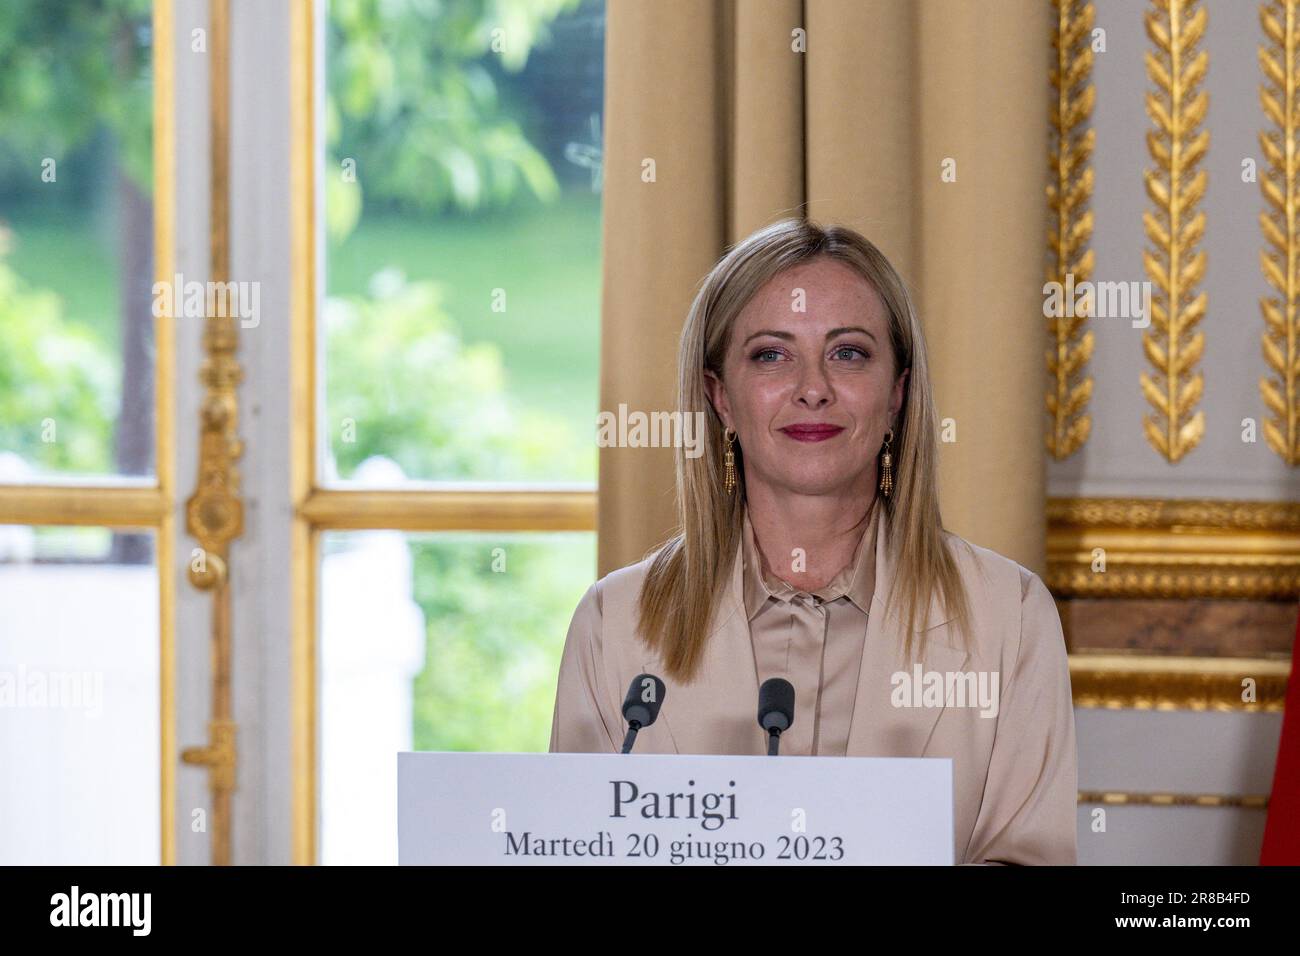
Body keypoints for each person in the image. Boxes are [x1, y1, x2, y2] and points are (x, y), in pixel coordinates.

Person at [549, 218, 1077, 865]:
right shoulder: (616, 622)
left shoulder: (1008, 614)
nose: (813, 388)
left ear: (897, 396)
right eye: (771, 354)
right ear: (719, 398)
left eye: (848, 353)